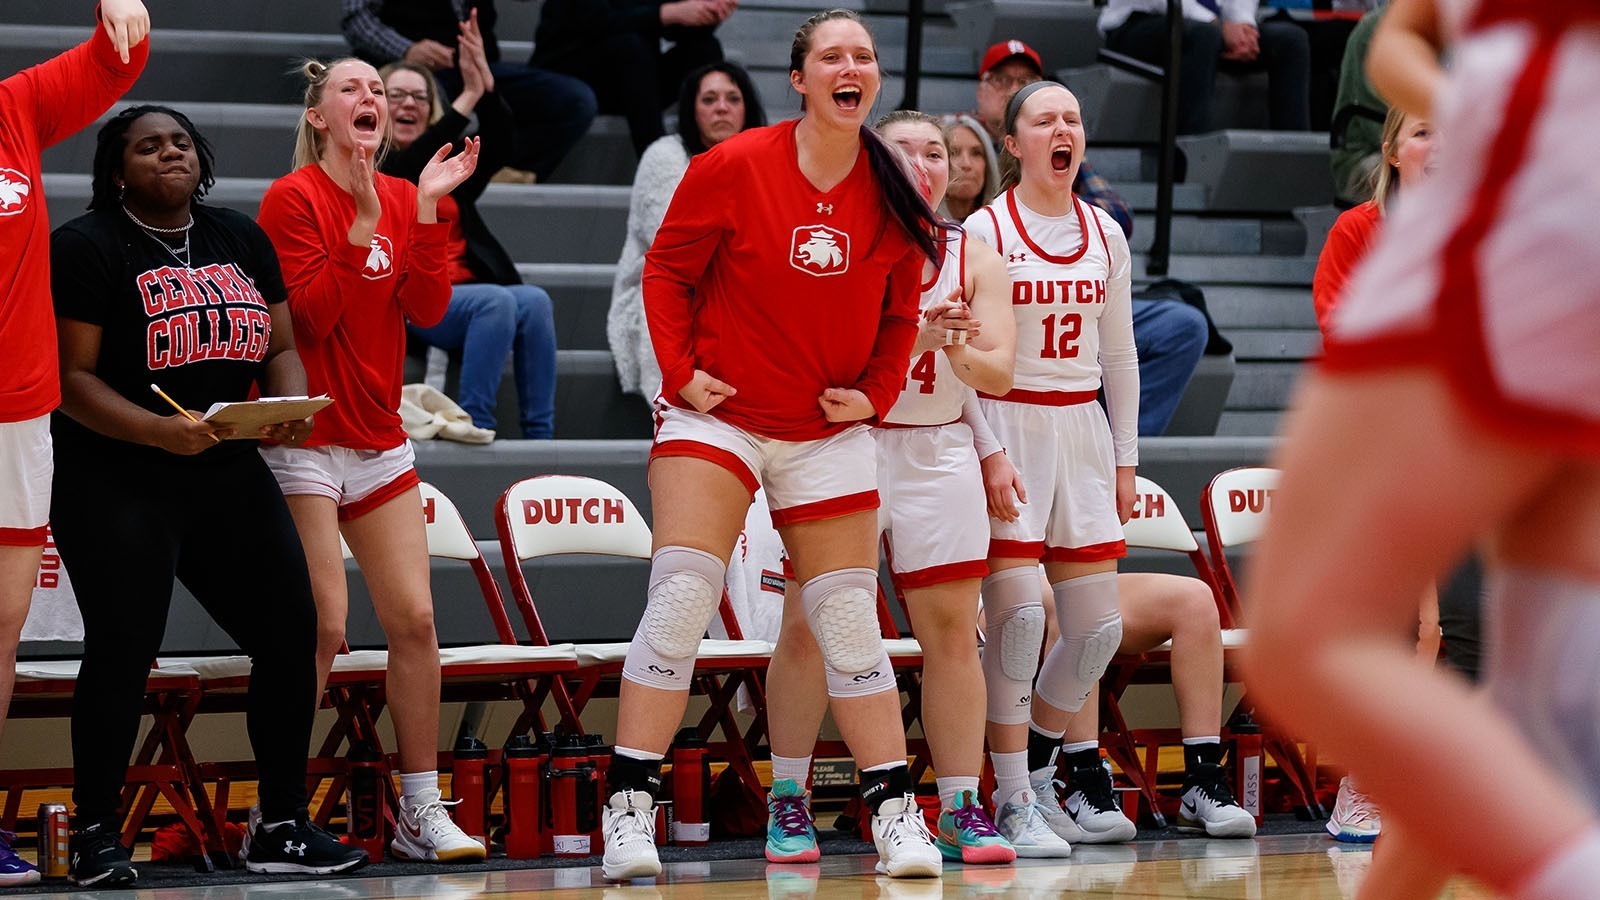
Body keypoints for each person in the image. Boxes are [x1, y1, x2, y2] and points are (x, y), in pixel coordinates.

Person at [1243, 0, 1600, 895]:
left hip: (1524, 236)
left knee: (1299, 635)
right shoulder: (1370, 222)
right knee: (1527, 694)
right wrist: (1465, 101)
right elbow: (1401, 40)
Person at [601, 9, 944, 882]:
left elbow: (904, 308)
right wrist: (677, 370)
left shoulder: (894, 186)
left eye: (864, 55)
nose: (851, 65)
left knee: (848, 624)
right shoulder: (733, 165)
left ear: (874, 80)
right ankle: (629, 807)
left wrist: (874, 389)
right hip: (717, 414)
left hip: (823, 430)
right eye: (833, 54)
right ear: (799, 80)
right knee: (682, 595)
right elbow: (666, 270)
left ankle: (895, 812)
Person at [49, 106, 371, 887]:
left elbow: (285, 346)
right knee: (124, 648)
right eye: (147, 146)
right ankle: (94, 830)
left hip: (223, 467)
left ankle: (282, 823)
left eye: (181, 143)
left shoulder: (237, 236)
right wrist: (157, 433)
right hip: (115, 474)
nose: (169, 154)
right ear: (116, 169)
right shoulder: (85, 245)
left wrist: (287, 409)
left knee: (294, 631)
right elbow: (72, 382)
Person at [760, 110, 1020, 866]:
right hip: (844, 443)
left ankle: (962, 803)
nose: (923, 163)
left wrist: (958, 344)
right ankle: (789, 796)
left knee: (951, 635)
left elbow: (1000, 373)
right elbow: (821, 370)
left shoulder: (973, 252)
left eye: (935, 151)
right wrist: (912, 337)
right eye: (903, 150)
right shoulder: (834, 242)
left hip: (937, 449)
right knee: (809, 627)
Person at [255, 57, 488, 865]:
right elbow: (306, 326)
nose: (372, 101)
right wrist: (358, 228)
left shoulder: (405, 197)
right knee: (322, 625)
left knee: (416, 620)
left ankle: (420, 809)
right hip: (305, 438)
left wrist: (421, 212)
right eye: (351, 89)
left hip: (380, 438)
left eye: (380, 94)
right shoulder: (290, 199)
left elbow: (427, 309)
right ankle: (277, 813)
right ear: (319, 116)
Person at [962, 81, 1138, 854]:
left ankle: (1035, 772)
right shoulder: (984, 228)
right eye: (1044, 120)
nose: (1062, 129)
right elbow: (960, 363)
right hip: (1009, 421)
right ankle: (1011, 798)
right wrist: (988, 448)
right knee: (1020, 620)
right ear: (1014, 142)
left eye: (1073, 117)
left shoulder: (1105, 232)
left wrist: (1127, 456)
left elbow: (1122, 354)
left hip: (1083, 428)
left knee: (1099, 628)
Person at [0, 0, 148, 885]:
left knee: (2, 622)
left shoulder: (12, 107)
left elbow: (113, 64)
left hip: (18, 411)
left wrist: (121, 9)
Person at [970, 41, 1208, 437]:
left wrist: (1054, 201)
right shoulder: (961, 143)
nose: (1013, 89)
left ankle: (1127, 434)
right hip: (1009, 411)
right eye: (1003, 81)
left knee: (1180, 324)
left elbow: (1119, 215)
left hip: (1080, 415)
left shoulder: (1080, 189)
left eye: (1025, 81)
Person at [379, 14, 557, 439]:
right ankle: (474, 422)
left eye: (421, 97)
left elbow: (503, 143)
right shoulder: (372, 167)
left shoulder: (448, 171)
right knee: (495, 302)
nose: (409, 104)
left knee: (534, 300)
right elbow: (409, 167)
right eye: (397, 95)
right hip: (409, 298)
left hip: (466, 292)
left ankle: (541, 437)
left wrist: (485, 86)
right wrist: (468, 97)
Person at [609, 61, 765, 400]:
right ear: (691, 110)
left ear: (747, 108)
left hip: (749, 290)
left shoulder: (769, 159)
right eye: (709, 100)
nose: (722, 107)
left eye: (733, 99)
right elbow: (674, 248)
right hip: (675, 289)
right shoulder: (665, 156)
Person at [341, 0, 596, 182]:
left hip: (476, 62)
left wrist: (479, 68)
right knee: (417, 97)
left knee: (575, 101)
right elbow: (357, 18)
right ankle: (437, 171)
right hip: (409, 66)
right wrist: (407, 51)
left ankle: (504, 168)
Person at [532, 0, 733, 157]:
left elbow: (676, 26)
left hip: (635, 81)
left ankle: (707, 155)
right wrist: (666, 13)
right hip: (570, 73)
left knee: (705, 49)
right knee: (630, 48)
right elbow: (596, 23)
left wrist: (710, 11)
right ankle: (657, 160)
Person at [1099, 0, 1311, 134]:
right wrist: (1218, 26)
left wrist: (1243, 28)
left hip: (1210, 28)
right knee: (1203, 36)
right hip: (1136, 22)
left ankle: (1294, 155)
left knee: (1291, 40)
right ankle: (1187, 153)